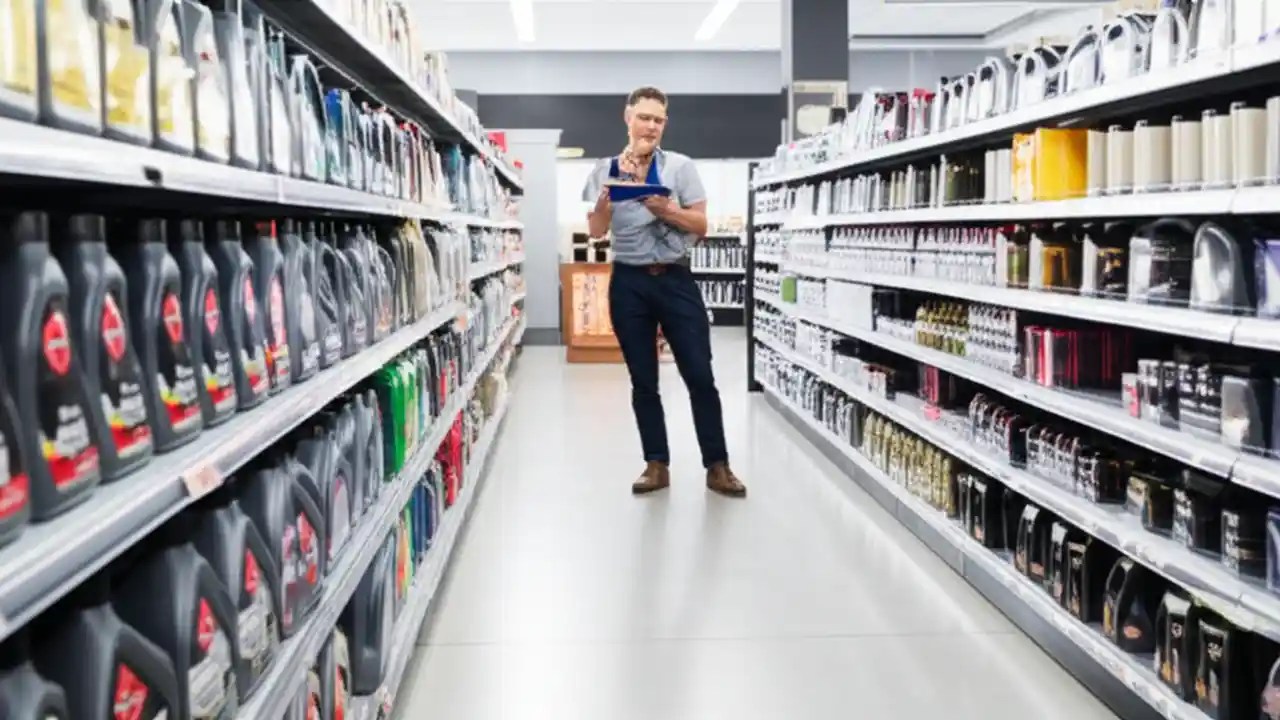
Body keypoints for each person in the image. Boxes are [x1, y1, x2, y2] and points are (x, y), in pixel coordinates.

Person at [582, 86, 746, 498]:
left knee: (700, 376)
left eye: (658, 119)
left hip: (676, 279)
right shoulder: (603, 168)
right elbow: (597, 230)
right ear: (628, 117)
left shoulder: (681, 168)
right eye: (644, 117)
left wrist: (667, 209)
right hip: (629, 282)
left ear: (665, 124)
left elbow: (702, 225)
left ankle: (717, 465)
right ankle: (656, 464)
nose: (651, 126)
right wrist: (605, 200)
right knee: (643, 379)